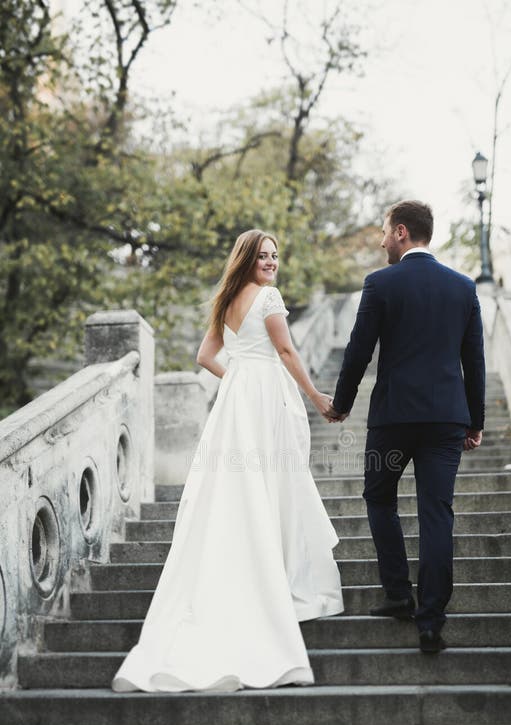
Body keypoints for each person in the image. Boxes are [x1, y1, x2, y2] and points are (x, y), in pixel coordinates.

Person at [112, 229, 344, 693]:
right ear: (248, 259)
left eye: (275, 256)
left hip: (238, 403)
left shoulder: (227, 300)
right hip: (263, 401)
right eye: (264, 256)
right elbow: (284, 350)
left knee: (241, 488)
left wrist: (239, 375)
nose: (272, 263)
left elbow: (205, 356)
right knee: (268, 484)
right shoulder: (269, 297)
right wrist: (316, 395)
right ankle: (269, 585)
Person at [326, 200, 485, 653]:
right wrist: (474, 421)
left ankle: (398, 594)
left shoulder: (380, 283)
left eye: (383, 233)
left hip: (393, 418)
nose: (380, 242)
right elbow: (473, 360)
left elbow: (358, 350)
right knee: (438, 513)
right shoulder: (463, 287)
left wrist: (341, 404)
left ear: (400, 232)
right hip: (445, 421)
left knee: (380, 498)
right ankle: (431, 620)